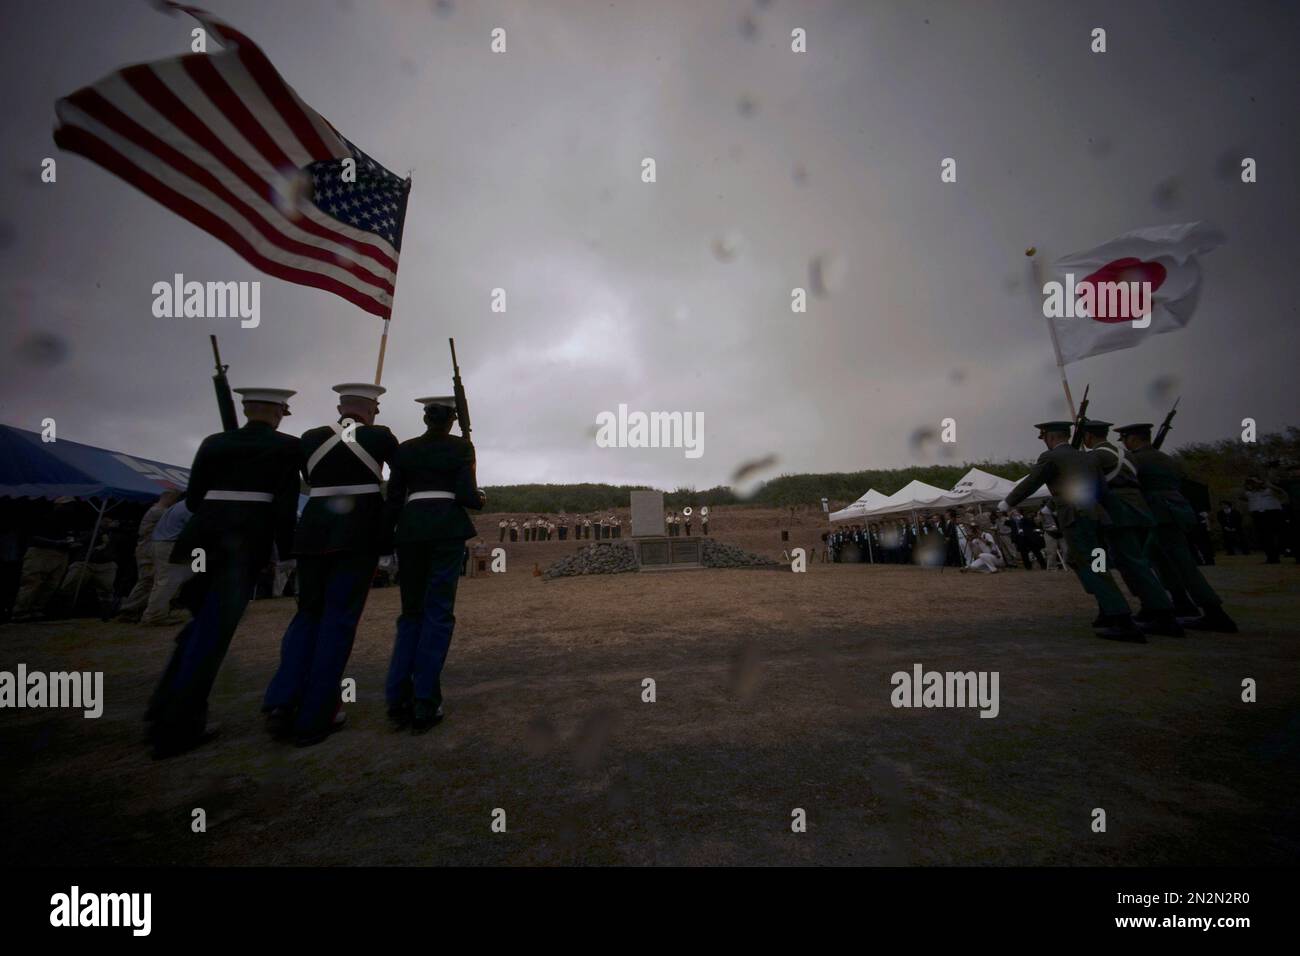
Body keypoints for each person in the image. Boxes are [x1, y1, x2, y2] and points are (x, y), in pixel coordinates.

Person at [146, 387, 301, 758]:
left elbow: (195, 497)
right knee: (212, 633)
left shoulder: (214, 442)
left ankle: (161, 709)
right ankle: (178, 726)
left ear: (246, 409)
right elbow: (284, 504)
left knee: (199, 626)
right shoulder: (287, 447)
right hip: (242, 544)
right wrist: (286, 551)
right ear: (280, 411)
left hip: (200, 543)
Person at [263, 383, 400, 747]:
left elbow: (307, 481)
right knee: (338, 621)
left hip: (311, 535)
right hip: (357, 537)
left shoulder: (309, 438)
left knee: (306, 616)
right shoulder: (380, 437)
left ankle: (282, 700)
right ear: (372, 409)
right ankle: (317, 713)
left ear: (340, 407)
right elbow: (398, 481)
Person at [384, 396, 485, 734]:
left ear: (426, 418)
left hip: (410, 530)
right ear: (452, 420)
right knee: (438, 612)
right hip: (445, 529)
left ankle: (397, 697)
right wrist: (480, 497)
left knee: (411, 613)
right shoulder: (460, 448)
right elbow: (467, 496)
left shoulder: (405, 449)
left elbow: (394, 497)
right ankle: (425, 699)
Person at [1001, 420, 1144, 642]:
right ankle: (1107, 607)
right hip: (1096, 516)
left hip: (1076, 518)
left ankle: (1121, 618)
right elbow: (1103, 489)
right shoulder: (1087, 457)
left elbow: (1032, 482)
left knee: (1091, 564)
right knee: (1090, 562)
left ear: (1049, 437)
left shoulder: (1052, 457)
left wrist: (1008, 503)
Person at [1116, 423, 1237, 632]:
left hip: (1159, 514)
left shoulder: (1137, 459)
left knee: (1181, 563)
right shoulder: (1165, 458)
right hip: (1175, 511)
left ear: (1133, 439)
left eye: (1125, 439)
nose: (1125, 444)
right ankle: (1180, 603)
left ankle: (1213, 611)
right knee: (1159, 558)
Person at [1079, 420, 1184, 636]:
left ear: (1088, 437)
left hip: (1116, 513)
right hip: (1139, 511)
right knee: (1135, 561)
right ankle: (1153, 607)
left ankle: (1162, 613)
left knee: (1129, 563)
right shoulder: (1125, 454)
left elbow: (1091, 486)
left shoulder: (1096, 456)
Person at [116, 490, 182, 622]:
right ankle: (130, 611)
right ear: (169, 497)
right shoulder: (158, 512)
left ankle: (136, 611)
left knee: (150, 581)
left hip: (148, 548)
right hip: (148, 549)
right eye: (175, 499)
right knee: (147, 581)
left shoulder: (157, 510)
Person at [141, 497, 194, 625]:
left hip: (166, 543)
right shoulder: (191, 507)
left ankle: (163, 610)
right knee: (167, 580)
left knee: (189, 574)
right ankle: (154, 616)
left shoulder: (182, 504)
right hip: (170, 545)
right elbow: (197, 529)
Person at [1241, 476, 1285, 564]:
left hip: (1271, 514)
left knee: (1274, 535)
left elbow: (1281, 492)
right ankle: (1270, 557)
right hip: (1258, 515)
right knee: (1263, 537)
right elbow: (1241, 496)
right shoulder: (1250, 493)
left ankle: (1277, 555)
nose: (1253, 484)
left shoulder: (1269, 491)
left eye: (1255, 482)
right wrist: (1247, 487)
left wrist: (1268, 485)